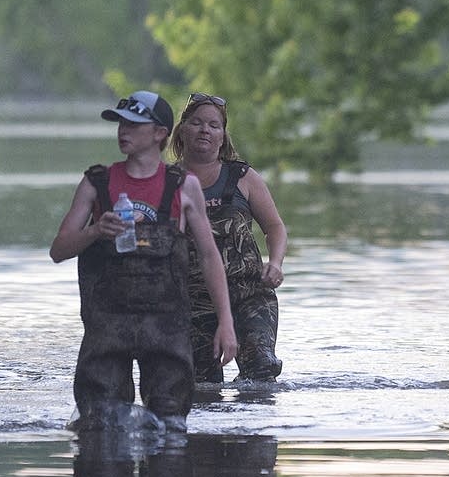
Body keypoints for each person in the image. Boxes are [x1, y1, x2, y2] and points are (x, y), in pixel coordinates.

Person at [50, 90, 238, 435]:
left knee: (170, 432)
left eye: (134, 124)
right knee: (102, 428)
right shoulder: (96, 182)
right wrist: (95, 231)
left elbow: (211, 256)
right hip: (106, 330)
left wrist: (225, 322)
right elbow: (59, 249)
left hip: (166, 330)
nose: (124, 130)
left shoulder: (184, 186)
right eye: (121, 123)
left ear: (160, 133)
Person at [172, 93, 288, 382]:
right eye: (196, 123)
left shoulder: (244, 178)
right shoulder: (167, 182)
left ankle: (254, 423)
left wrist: (275, 263)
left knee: (261, 369)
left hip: (248, 294)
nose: (204, 130)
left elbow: (274, 227)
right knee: (202, 386)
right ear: (181, 131)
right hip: (192, 301)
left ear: (223, 137)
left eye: (213, 125)